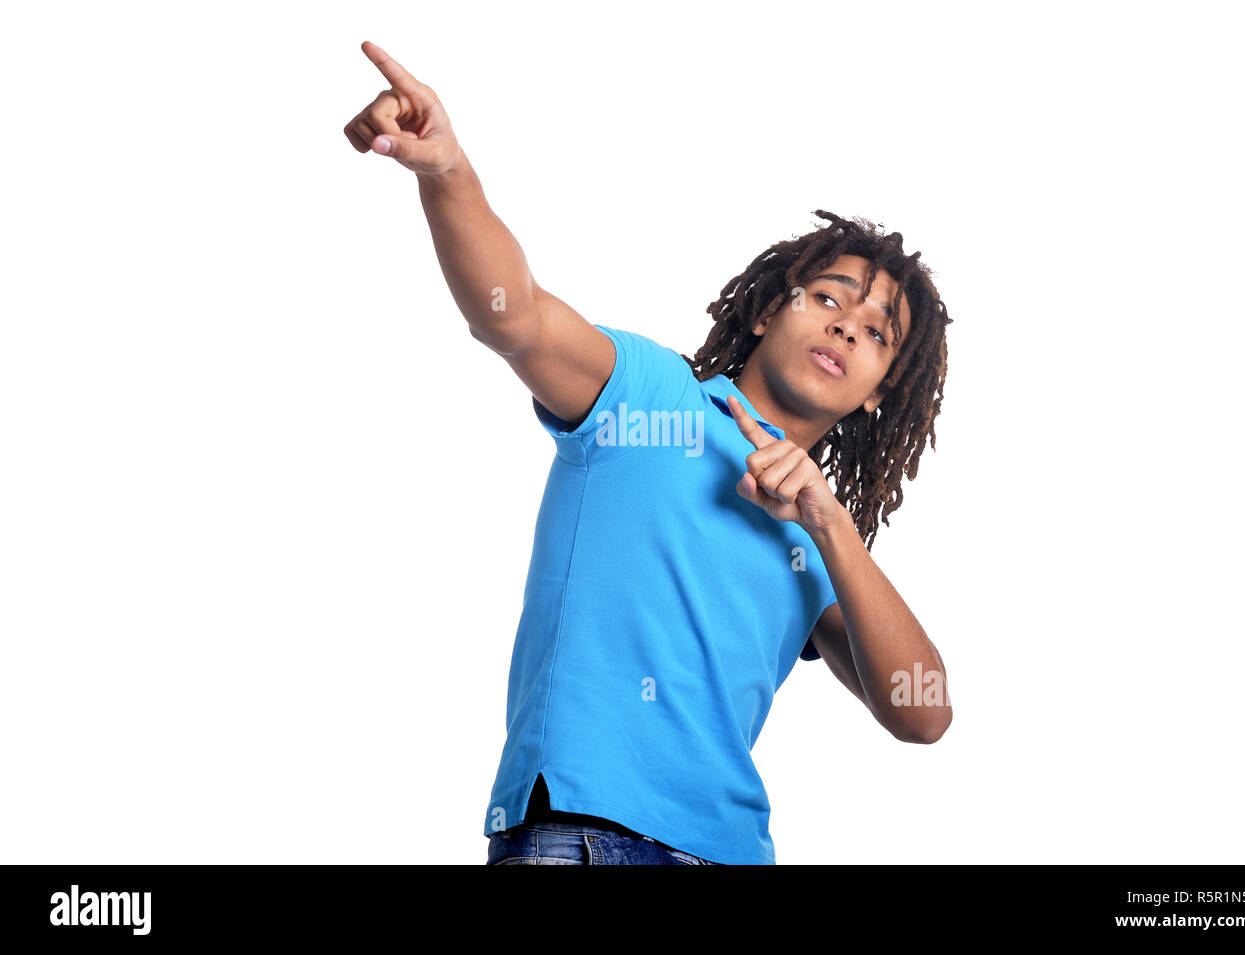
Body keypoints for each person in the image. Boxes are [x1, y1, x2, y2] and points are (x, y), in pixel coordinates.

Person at [343, 40, 954, 866]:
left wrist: (832, 527)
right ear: (771, 312)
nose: (847, 323)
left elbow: (924, 712)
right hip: (584, 832)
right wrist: (446, 170)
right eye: (826, 298)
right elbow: (510, 315)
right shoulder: (649, 395)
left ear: (882, 389)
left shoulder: (821, 545)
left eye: (877, 331)